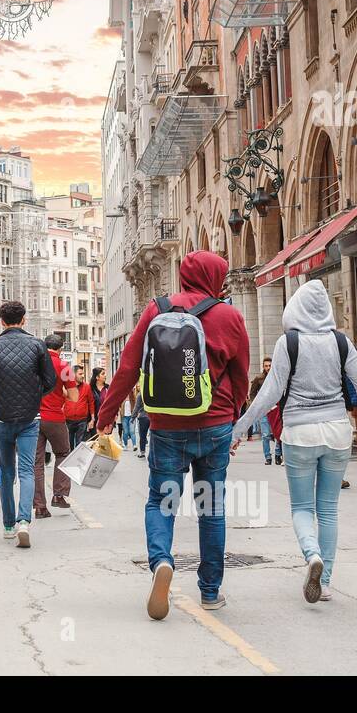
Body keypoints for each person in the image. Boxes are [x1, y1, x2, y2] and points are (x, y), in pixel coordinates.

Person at [97, 251, 250, 618]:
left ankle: (162, 562)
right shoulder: (229, 315)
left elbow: (129, 367)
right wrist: (234, 419)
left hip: (166, 426)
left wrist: (106, 413)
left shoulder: (157, 310)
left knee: (161, 502)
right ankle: (210, 591)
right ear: (215, 277)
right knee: (210, 507)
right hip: (214, 426)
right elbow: (241, 374)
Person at [232, 281, 357, 603]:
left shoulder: (287, 343)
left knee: (303, 507)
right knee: (328, 510)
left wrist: (238, 429)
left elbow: (271, 393)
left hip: (300, 433)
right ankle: (326, 580)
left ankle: (311, 553)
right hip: (336, 432)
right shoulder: (341, 342)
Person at [0, 300, 57, 549]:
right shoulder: (37, 345)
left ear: (2, 321)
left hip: (2, 417)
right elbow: (50, 380)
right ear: (24, 320)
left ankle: (9, 526)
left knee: (7, 471)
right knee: (27, 470)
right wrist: (34, 396)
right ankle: (25, 520)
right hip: (29, 418)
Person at [35, 334, 79, 517]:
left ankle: (39, 506)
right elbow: (74, 396)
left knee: (36, 463)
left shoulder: (35, 365)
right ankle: (59, 495)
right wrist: (61, 391)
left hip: (34, 418)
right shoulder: (64, 366)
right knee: (63, 453)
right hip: (55, 418)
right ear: (61, 349)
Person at [247, 358, 280, 466]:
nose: (268, 368)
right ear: (263, 366)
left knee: (277, 433)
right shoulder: (259, 378)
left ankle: (278, 455)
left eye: (270, 365)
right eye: (266, 366)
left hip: (275, 409)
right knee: (265, 435)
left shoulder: (276, 377)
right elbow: (252, 393)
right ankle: (268, 457)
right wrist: (255, 405)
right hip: (263, 410)